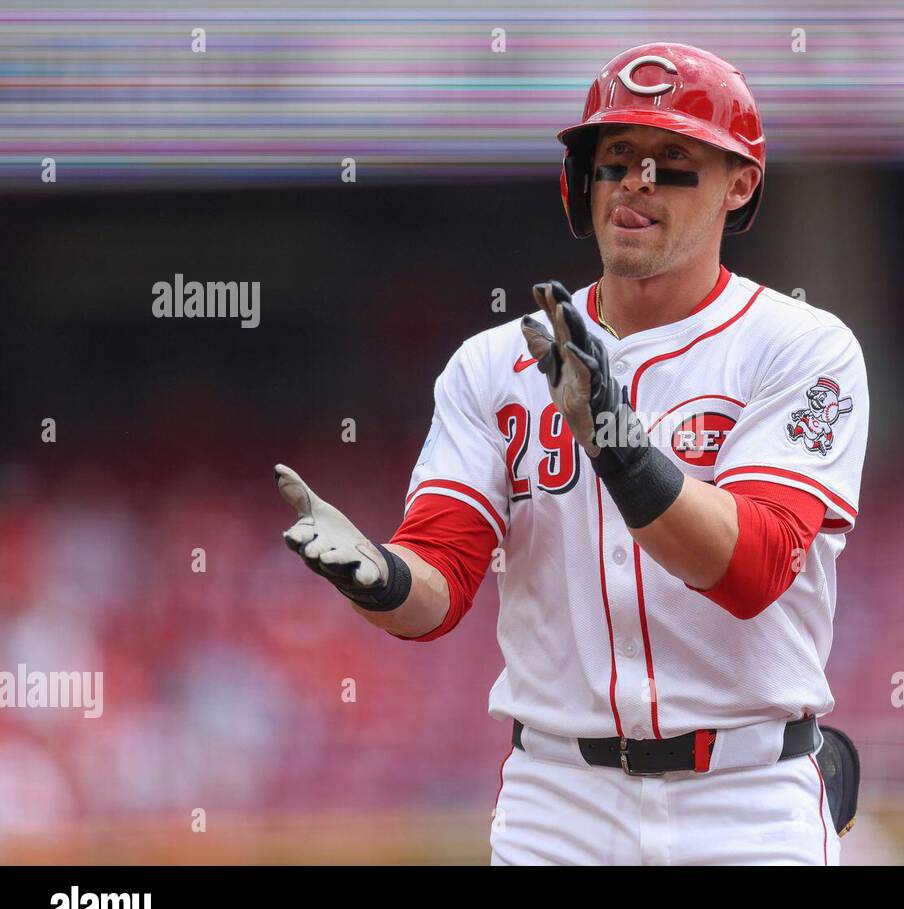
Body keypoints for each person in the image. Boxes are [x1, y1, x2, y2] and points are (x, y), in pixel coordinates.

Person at [276, 42, 869, 865]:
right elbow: (438, 587)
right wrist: (378, 578)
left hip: (747, 799)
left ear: (740, 184)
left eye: (674, 161)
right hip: (558, 803)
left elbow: (752, 567)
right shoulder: (495, 364)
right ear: (578, 183)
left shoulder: (800, 348)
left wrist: (619, 444)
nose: (638, 183)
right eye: (615, 159)